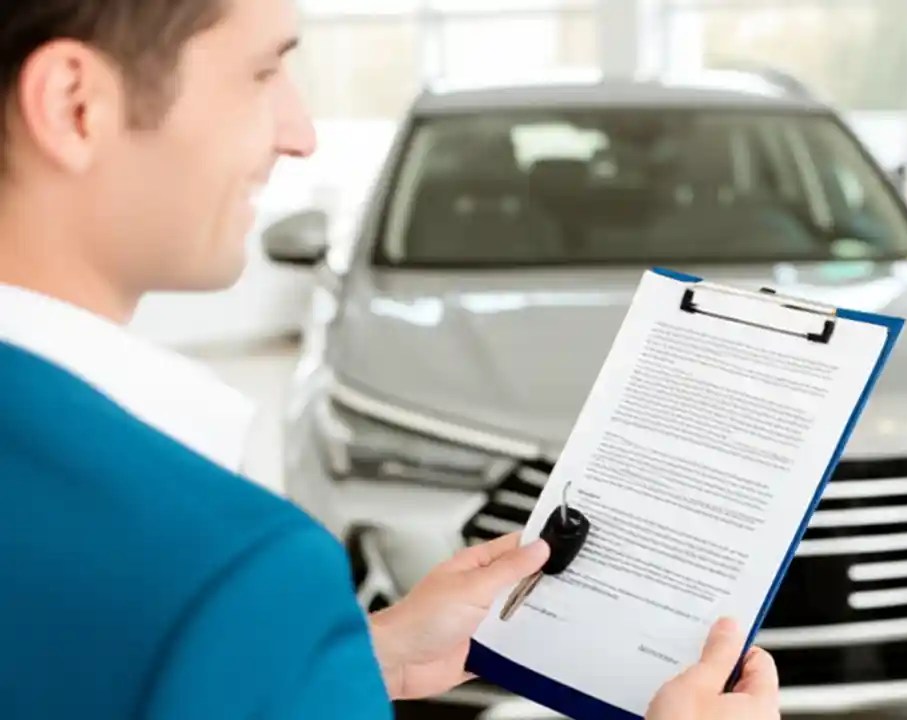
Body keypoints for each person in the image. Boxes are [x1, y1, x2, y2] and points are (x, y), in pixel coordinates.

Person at [0, 1, 781, 719]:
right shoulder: (225, 576)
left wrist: (356, 661)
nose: (299, 133)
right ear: (75, 105)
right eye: (263, 73)